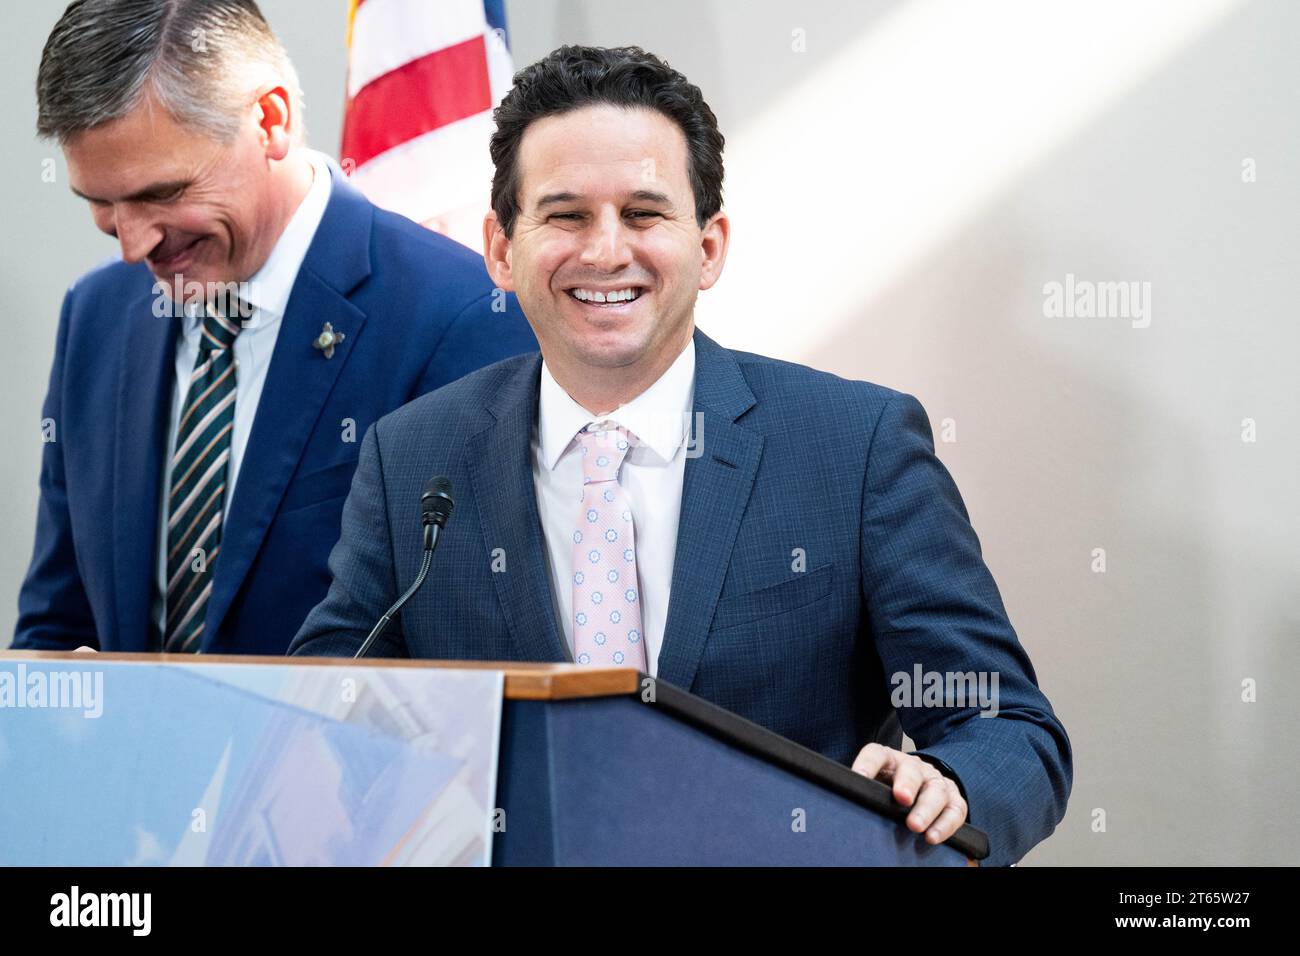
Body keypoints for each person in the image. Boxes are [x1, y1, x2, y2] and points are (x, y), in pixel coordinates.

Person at [290, 45, 1071, 866]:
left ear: (709, 247)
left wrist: (946, 780)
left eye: (643, 213)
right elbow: (326, 703)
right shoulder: (412, 455)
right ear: (499, 247)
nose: (604, 251)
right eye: (564, 214)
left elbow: (1007, 727)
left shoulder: (855, 447)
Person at [13, 0, 537, 654]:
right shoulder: (97, 315)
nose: (132, 244)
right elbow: (56, 622)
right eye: (100, 203)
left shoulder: (459, 317)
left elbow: (477, 656)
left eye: (161, 193)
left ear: (270, 119)